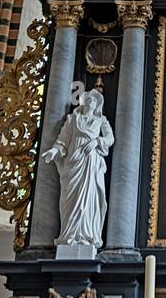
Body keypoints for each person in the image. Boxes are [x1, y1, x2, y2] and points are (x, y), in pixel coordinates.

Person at [42, 89, 114, 249]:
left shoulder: (101, 120)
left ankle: (87, 235)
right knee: (71, 198)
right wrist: (54, 151)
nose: (89, 102)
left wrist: (97, 141)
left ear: (97, 105)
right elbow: (63, 139)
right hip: (74, 160)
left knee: (89, 199)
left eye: (93, 100)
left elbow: (110, 138)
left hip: (91, 162)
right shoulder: (73, 119)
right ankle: (69, 235)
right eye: (87, 99)